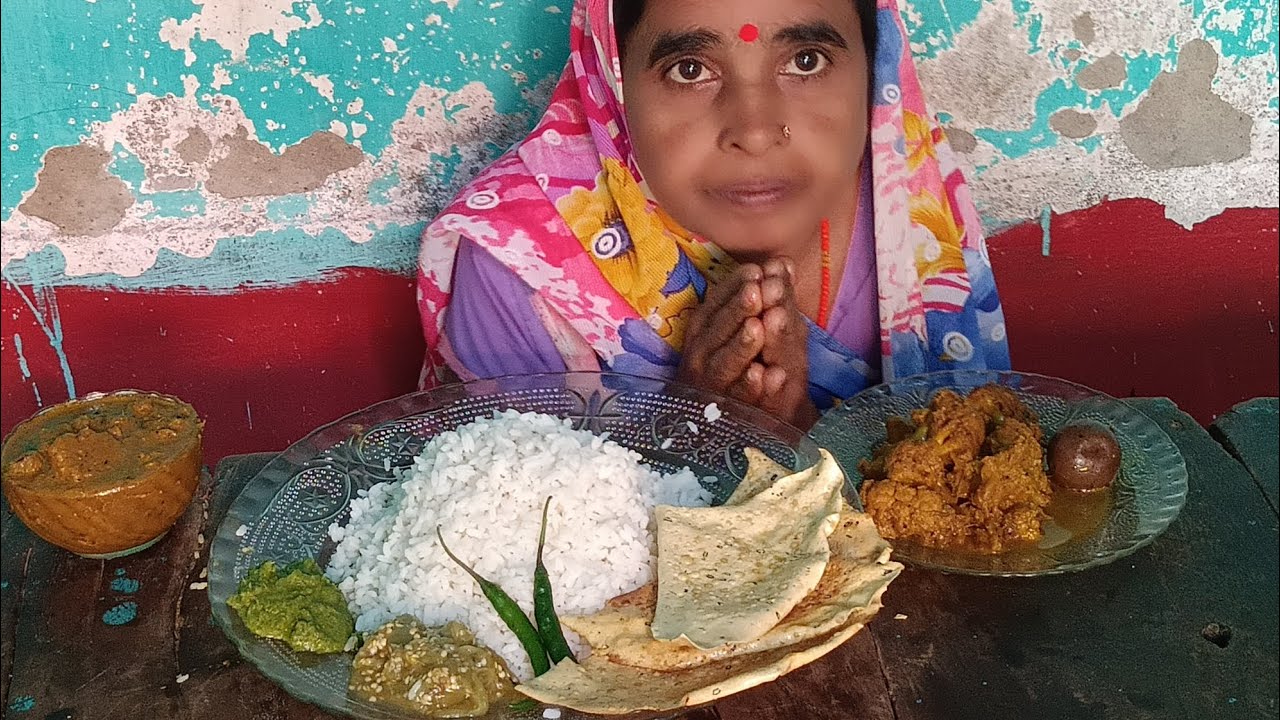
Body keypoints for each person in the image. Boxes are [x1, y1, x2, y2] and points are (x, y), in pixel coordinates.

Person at [416, 0, 1009, 429]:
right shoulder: (520, 266)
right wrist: (697, 425)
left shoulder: (909, 210)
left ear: (875, 69)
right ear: (614, 83)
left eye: (806, 60)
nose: (753, 131)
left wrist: (795, 429)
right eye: (690, 69)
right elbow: (518, 558)